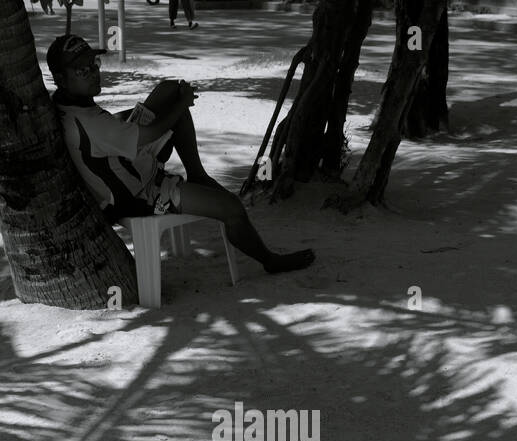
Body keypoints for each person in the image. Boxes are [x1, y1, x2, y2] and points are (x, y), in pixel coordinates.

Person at [46, 34, 315, 276]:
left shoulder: (68, 107)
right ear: (60, 79)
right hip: (141, 195)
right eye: (83, 70)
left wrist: (146, 111)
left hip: (126, 162)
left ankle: (197, 174)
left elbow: (110, 134)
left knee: (168, 90)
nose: (93, 73)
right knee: (232, 209)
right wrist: (182, 104)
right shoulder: (91, 126)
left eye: (94, 65)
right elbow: (150, 134)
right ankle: (269, 261)